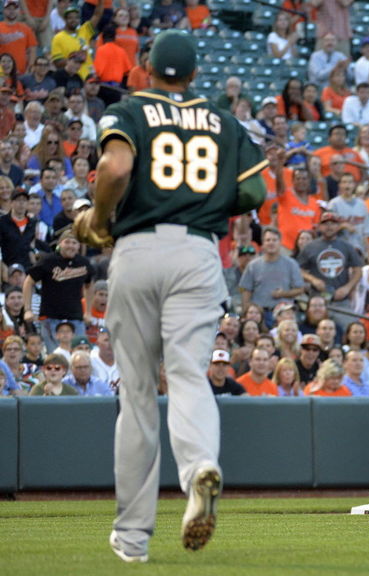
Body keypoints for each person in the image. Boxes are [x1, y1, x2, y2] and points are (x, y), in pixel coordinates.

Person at [73, 30, 267, 561]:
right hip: (198, 253)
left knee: (137, 394)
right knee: (187, 375)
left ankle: (133, 537)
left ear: (146, 68)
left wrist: (99, 218)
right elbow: (255, 190)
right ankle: (199, 466)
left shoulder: (131, 110)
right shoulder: (223, 121)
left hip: (137, 248)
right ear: (196, 74)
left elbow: (115, 167)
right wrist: (202, 202)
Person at [23, 228, 93, 354]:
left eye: (74, 243)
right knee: (55, 357)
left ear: (79, 246)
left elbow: (89, 285)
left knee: (80, 355)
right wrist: (27, 309)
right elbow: (29, 281)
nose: (71, 246)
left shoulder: (83, 263)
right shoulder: (48, 260)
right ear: (60, 244)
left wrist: (88, 311)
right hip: (50, 318)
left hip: (76, 317)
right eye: (67, 242)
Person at [298, 211, 362, 331]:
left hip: (340, 301)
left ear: (338, 226)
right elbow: (299, 270)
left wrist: (347, 288)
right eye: (325, 223)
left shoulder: (347, 246)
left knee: (351, 329)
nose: (329, 227)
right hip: (317, 301)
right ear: (319, 226)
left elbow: (358, 271)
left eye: (333, 223)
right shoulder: (310, 247)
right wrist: (313, 280)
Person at [238, 226, 304, 327]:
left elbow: (300, 289)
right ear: (263, 243)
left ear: (280, 242)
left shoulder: (291, 264)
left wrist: (283, 294)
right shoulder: (253, 265)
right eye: (268, 240)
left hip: (283, 313)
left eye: (274, 240)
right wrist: (246, 312)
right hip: (260, 314)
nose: (271, 243)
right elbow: (245, 290)